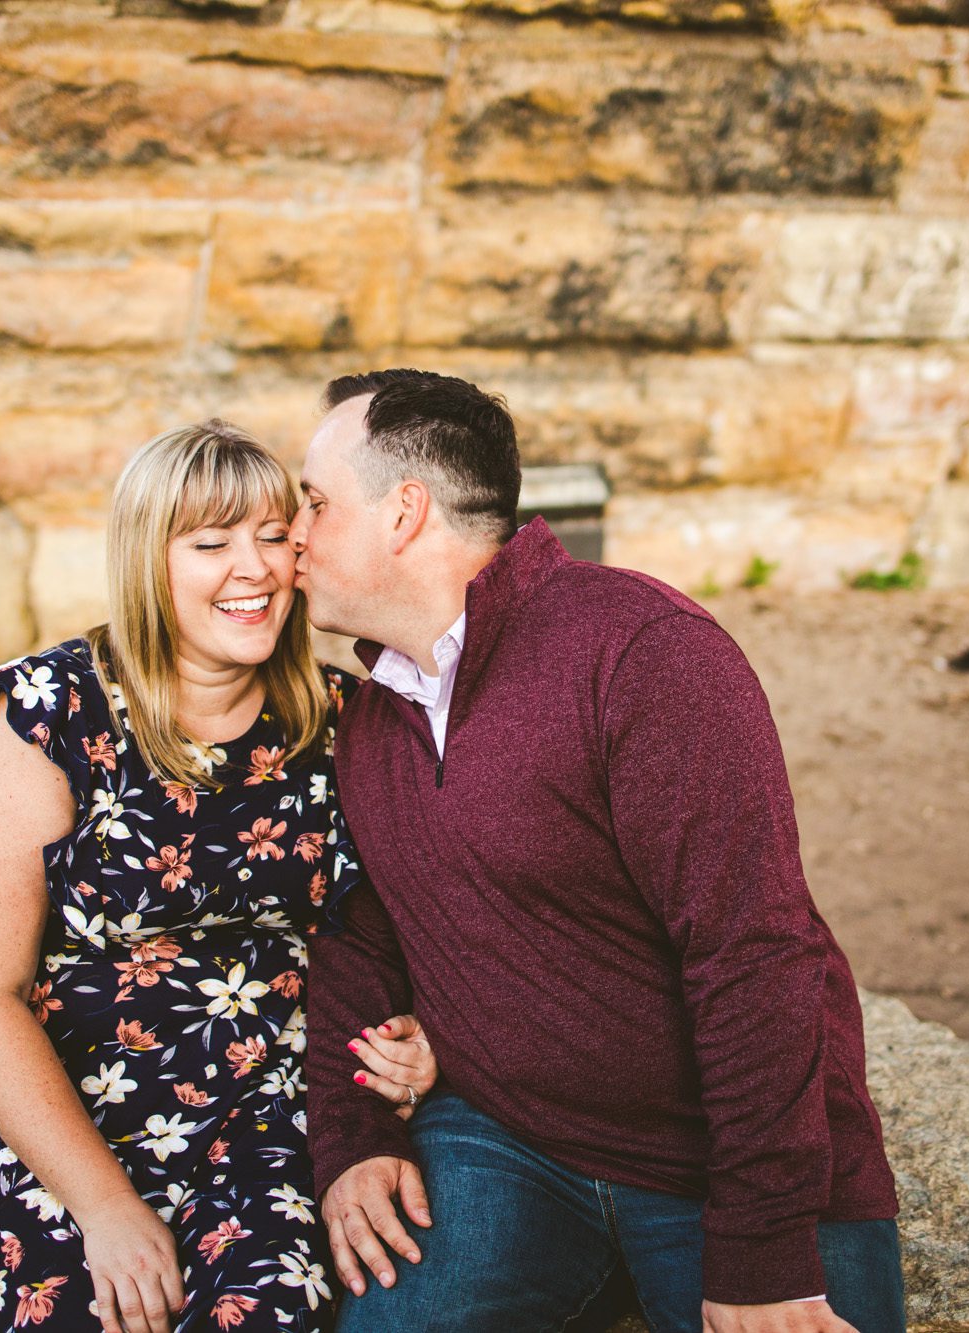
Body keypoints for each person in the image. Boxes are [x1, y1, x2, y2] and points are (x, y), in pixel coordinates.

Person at [293, 372, 907, 1333]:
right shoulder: (373, 722)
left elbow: (753, 952)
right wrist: (355, 1134)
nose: (292, 534)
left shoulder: (642, 652)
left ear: (403, 513)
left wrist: (760, 1246)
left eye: (315, 503)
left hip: (718, 1161)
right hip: (507, 1139)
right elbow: (363, 939)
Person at [0, 420, 438, 1333]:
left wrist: (425, 1035)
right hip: (62, 1098)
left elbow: (424, 917)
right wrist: (106, 1208)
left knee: (269, 1313)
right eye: (210, 544)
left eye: (272, 536)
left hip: (265, 1103)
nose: (254, 568)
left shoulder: (344, 720)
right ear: (145, 560)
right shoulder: (41, 722)